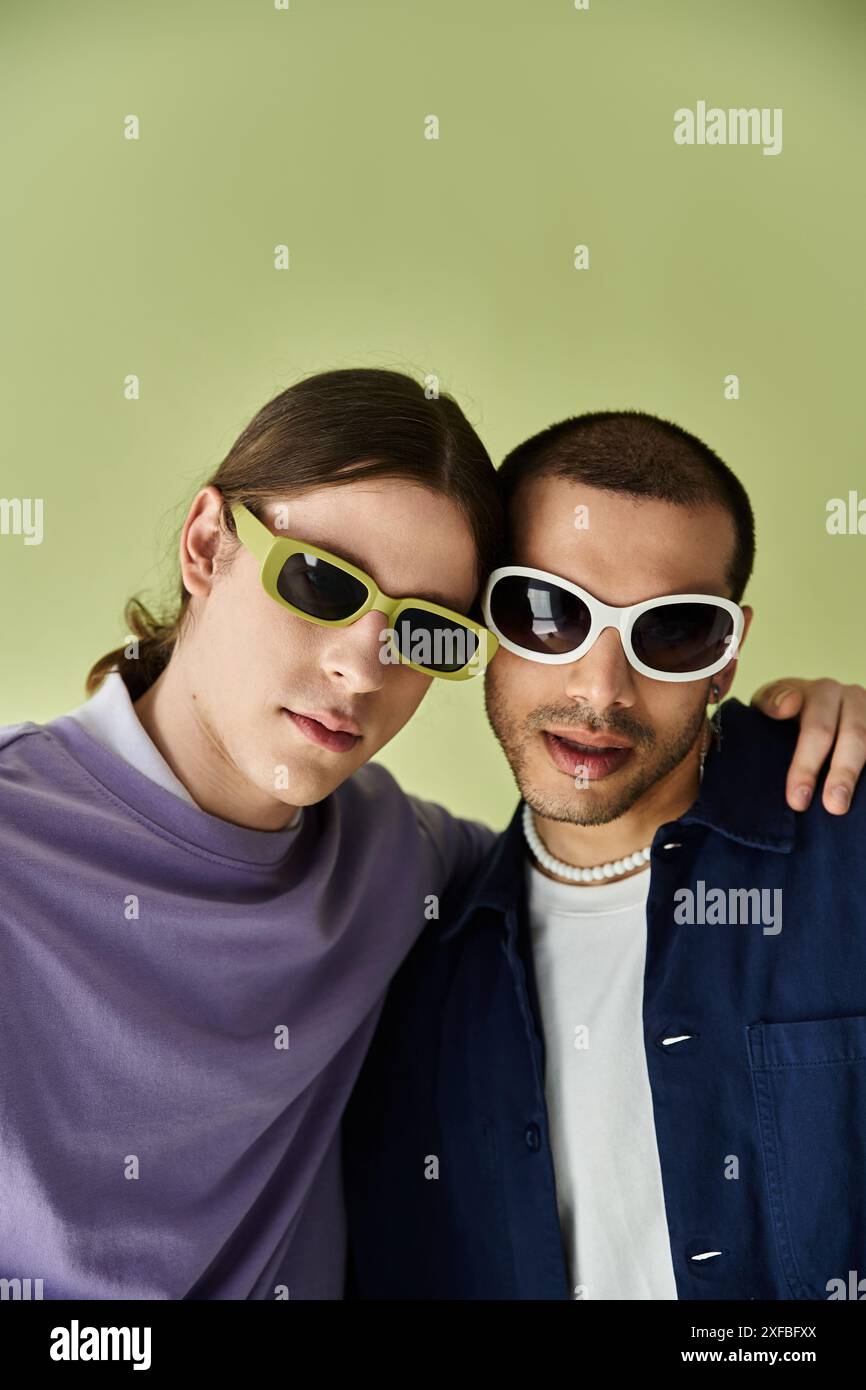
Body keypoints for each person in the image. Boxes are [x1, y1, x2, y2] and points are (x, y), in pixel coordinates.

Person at [0, 374, 860, 1300]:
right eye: (322, 582)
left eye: (424, 630)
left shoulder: (406, 870)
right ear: (207, 545)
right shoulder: (22, 844)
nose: (358, 665)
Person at [342, 408, 866, 1302]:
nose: (601, 690)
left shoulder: (847, 843)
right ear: (482, 625)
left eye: (672, 633)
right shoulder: (415, 964)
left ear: (726, 661)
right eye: (548, 614)